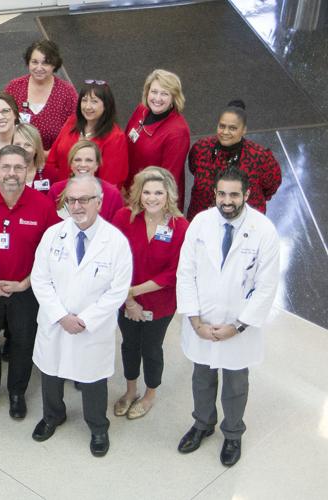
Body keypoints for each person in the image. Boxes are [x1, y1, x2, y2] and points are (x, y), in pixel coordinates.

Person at [175, 168, 280, 467]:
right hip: (202, 322)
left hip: (238, 327)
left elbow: (267, 285)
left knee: (235, 383)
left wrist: (238, 326)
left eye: (234, 194)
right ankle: (203, 424)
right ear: (215, 194)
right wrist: (195, 321)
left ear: (246, 194)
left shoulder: (264, 230)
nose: (227, 200)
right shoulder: (200, 223)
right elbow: (186, 273)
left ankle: (233, 433)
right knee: (202, 378)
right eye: (222, 194)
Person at [30, 175, 133, 457]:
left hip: (92, 328)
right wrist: (61, 316)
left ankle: (98, 426)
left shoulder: (115, 242)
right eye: (71, 200)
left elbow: (117, 291)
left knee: (92, 379)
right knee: (50, 372)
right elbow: (40, 279)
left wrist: (84, 319)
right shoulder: (53, 234)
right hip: (56, 322)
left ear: (98, 202)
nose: (76, 206)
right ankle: (53, 416)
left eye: (84, 199)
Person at [0, 145, 58, 419]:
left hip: (25, 289)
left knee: (23, 341)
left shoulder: (42, 206)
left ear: (28, 170)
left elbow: (51, 251)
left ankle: (17, 391)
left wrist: (29, 281)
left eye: (19, 167)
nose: (12, 173)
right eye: (6, 167)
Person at [111, 167, 188, 420]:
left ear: (169, 195)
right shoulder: (124, 218)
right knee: (129, 344)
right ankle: (131, 390)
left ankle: (149, 394)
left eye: (158, 193)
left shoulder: (180, 227)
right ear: (138, 194)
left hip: (160, 302)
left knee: (152, 348)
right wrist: (128, 299)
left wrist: (132, 291)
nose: (152, 198)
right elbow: (114, 259)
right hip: (125, 300)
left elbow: (173, 272)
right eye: (147, 192)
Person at [186, 100, 281, 220]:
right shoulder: (201, 148)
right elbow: (193, 169)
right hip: (202, 219)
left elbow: (271, 186)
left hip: (244, 222)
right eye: (222, 126)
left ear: (244, 130)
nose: (225, 132)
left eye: (232, 128)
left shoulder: (261, 157)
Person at [45, 81, 128, 186]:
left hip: (90, 198)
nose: (87, 107)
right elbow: (52, 160)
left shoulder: (115, 137)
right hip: (60, 192)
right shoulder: (72, 122)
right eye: (84, 100)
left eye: (94, 101)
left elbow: (109, 183)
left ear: (107, 105)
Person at [123, 69, 191, 193]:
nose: (157, 98)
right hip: (129, 188)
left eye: (164, 94)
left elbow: (169, 179)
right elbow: (125, 140)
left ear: (174, 98)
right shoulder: (141, 109)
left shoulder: (178, 132)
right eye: (154, 92)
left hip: (152, 198)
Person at [5, 40, 77, 150]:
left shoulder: (67, 93)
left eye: (45, 63)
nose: (39, 68)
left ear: (54, 65)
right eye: (34, 62)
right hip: (17, 158)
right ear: (28, 62)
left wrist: (44, 156)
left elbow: (75, 134)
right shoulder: (14, 87)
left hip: (53, 161)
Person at [48, 140, 125, 221]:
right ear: (71, 164)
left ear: (97, 165)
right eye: (78, 160)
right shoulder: (56, 190)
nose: (83, 165)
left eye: (89, 160)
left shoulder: (112, 195)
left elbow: (116, 230)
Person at [12, 122, 55, 194]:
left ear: (36, 149)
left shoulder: (50, 174)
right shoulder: (3, 173)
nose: (22, 149)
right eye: (17, 144)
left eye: (27, 145)